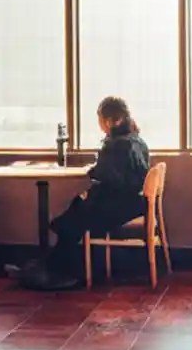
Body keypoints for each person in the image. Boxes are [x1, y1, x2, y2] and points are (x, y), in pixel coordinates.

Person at [36, 96, 151, 290]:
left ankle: (56, 271)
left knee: (73, 221)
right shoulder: (137, 140)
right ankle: (53, 268)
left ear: (110, 120)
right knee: (76, 212)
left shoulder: (116, 145)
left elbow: (105, 176)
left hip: (120, 206)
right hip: (135, 203)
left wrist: (92, 171)